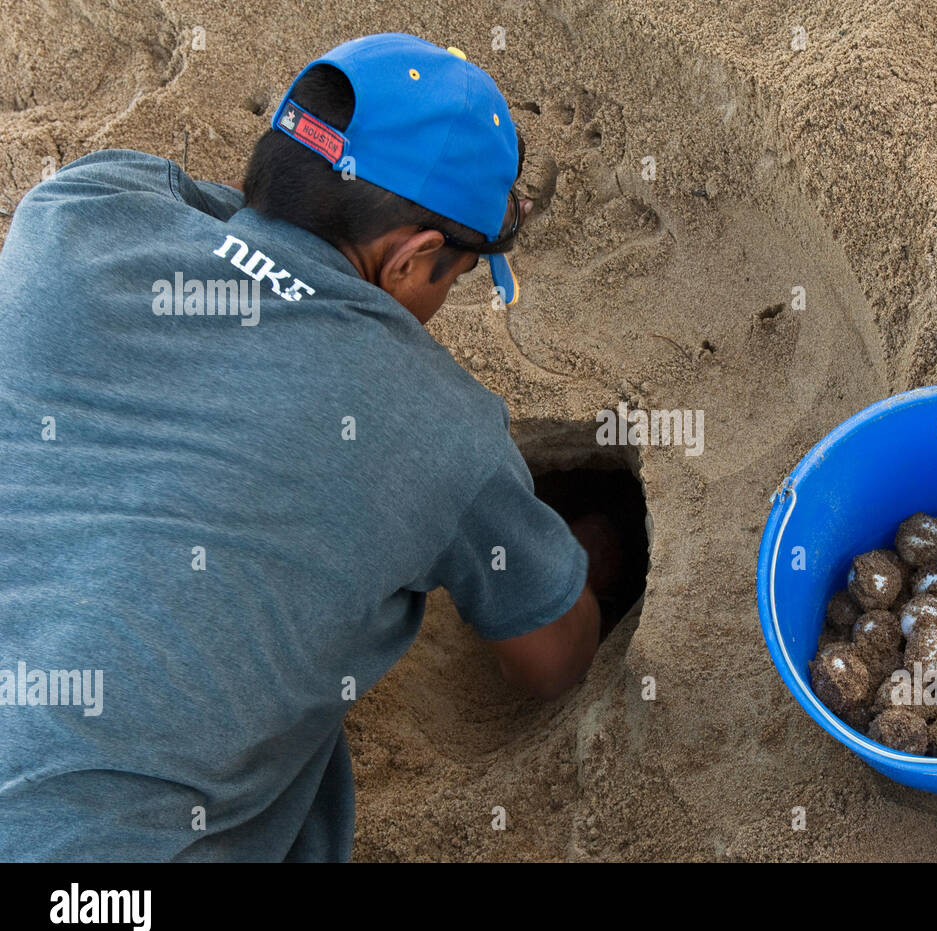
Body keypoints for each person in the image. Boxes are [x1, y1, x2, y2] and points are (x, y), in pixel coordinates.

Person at [0, 33, 614, 861]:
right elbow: (553, 660)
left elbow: (233, 223)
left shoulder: (73, 211)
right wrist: (603, 551)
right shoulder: (439, 424)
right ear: (414, 257)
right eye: (459, 276)